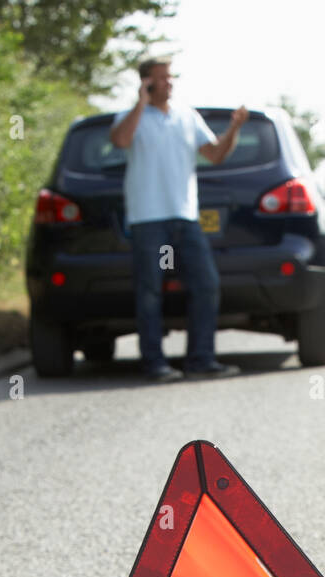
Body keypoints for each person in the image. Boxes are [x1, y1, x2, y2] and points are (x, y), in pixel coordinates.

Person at [111, 59, 248, 382]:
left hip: (185, 217)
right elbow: (120, 141)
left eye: (169, 77)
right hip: (149, 219)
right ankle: (154, 363)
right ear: (146, 83)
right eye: (160, 79)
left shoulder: (187, 116)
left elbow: (214, 154)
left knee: (206, 285)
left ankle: (201, 359)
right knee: (150, 291)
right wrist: (141, 103)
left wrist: (234, 129)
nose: (168, 83)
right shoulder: (130, 118)